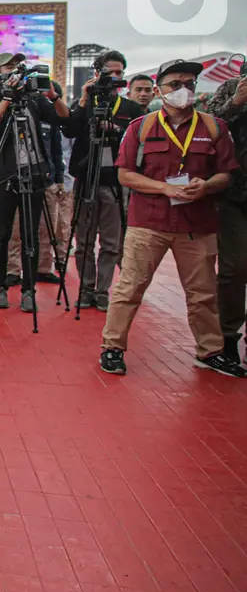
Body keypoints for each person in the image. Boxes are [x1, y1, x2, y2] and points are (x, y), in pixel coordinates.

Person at [99, 59, 244, 377]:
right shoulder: (142, 127)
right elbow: (125, 175)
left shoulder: (215, 127)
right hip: (149, 221)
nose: (184, 90)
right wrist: (163, 188)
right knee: (130, 287)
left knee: (203, 292)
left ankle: (210, 351)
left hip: (198, 222)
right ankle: (112, 347)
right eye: (175, 84)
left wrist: (206, 186)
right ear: (159, 90)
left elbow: (226, 174)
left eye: (189, 83)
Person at [0, 52, 71, 312]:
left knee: (32, 234)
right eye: (10, 67)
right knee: (2, 233)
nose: (17, 70)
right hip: (4, 177)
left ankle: (29, 290)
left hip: (35, 174)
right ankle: (0, 288)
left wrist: (53, 96)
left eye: (19, 66)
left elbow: (63, 118)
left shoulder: (35, 101)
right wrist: (6, 100)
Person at [64, 51, 146, 311]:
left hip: (115, 180)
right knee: (84, 241)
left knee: (111, 242)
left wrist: (117, 131)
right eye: (109, 72)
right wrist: (84, 100)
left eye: (119, 73)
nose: (115, 78)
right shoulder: (84, 102)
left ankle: (103, 290)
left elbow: (139, 143)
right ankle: (86, 288)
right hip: (86, 177)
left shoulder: (131, 109)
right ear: (97, 74)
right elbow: (69, 130)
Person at [207, 67, 247, 364]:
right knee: (234, 268)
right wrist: (237, 102)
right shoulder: (230, 88)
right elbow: (211, 125)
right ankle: (228, 336)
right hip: (233, 193)